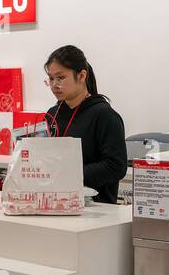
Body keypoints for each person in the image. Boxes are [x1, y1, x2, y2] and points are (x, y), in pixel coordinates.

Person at [42, 45, 127, 203]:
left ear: (81, 76)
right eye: (51, 78)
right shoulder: (52, 115)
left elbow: (116, 166)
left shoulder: (104, 115)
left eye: (60, 78)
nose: (54, 84)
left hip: (97, 210)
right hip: (54, 203)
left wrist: (69, 175)